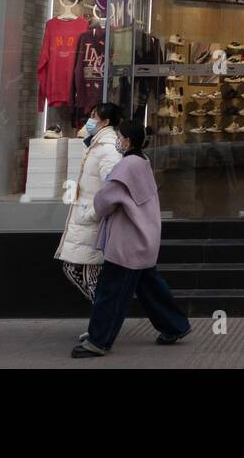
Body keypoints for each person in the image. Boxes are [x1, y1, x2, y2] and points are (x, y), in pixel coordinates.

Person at [73, 121, 190, 358]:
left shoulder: (125, 166)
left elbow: (106, 200)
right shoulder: (142, 161)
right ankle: (175, 326)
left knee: (112, 292)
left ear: (128, 140)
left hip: (127, 241)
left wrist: (92, 204)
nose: (118, 139)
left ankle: (99, 340)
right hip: (144, 237)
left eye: (120, 136)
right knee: (150, 289)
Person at [55, 102, 123, 302]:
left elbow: (111, 188)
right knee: (80, 272)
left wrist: (92, 212)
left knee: (89, 276)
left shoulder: (108, 149)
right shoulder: (96, 144)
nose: (90, 119)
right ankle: (102, 319)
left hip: (93, 222)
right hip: (86, 219)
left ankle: (103, 319)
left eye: (94, 115)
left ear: (106, 121)